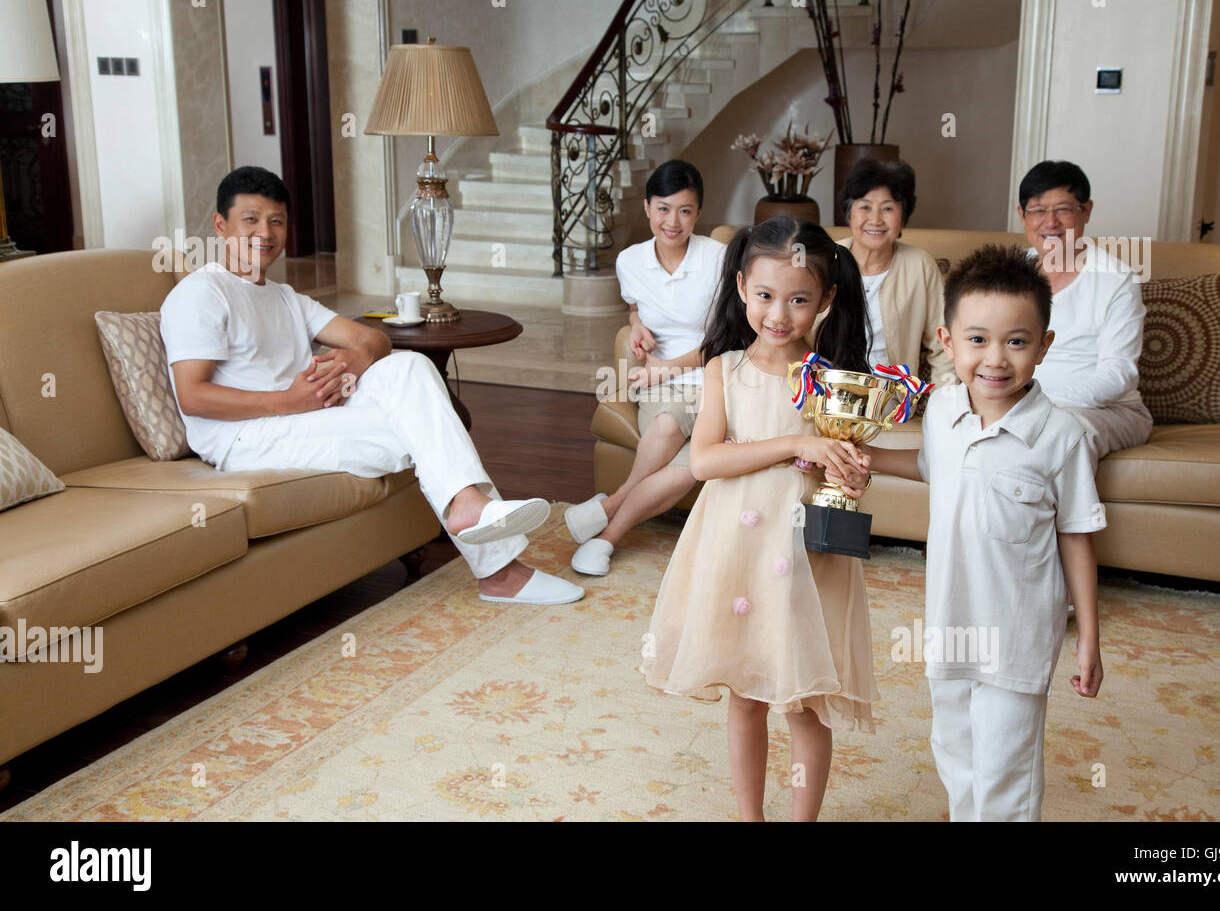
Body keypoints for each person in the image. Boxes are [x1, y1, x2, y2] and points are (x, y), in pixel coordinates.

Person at [159, 166, 583, 606]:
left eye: (276, 220)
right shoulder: (202, 293)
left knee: (411, 366)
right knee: (416, 426)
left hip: (307, 415)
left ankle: (468, 508)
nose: (265, 232)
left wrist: (355, 357)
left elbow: (373, 337)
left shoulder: (284, 296)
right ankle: (496, 566)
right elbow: (193, 395)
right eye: (250, 219)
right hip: (244, 436)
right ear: (220, 225)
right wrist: (288, 400)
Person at [639, 217, 880, 822]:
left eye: (799, 299)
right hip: (738, 550)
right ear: (743, 287)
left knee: (802, 705)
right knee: (745, 693)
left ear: (826, 299)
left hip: (805, 556)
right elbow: (705, 459)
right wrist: (795, 445)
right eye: (766, 295)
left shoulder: (831, 381)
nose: (779, 313)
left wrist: (846, 467)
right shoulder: (725, 369)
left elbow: (841, 466)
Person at [863, 244, 1105, 821]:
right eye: (977, 339)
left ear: (1044, 346)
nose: (996, 359)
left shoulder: (1062, 437)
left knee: (1006, 772)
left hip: (1017, 637)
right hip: (949, 625)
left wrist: (1089, 636)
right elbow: (928, 468)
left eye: (1016, 341)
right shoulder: (943, 409)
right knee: (954, 753)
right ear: (946, 341)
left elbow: (1076, 536)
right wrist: (863, 456)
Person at [566, 160, 726, 577]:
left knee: (694, 465)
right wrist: (637, 328)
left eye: (685, 210)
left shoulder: (719, 259)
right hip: (659, 383)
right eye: (663, 208)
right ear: (647, 207)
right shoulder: (630, 261)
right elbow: (636, 307)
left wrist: (667, 369)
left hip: (716, 378)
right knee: (668, 427)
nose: (673, 221)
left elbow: (730, 341)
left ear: (699, 213)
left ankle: (609, 522)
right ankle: (608, 527)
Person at [1017, 159, 1152, 464]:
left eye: (1063, 209)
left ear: (1086, 211)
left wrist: (1033, 405)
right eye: (1038, 210)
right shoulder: (1009, 274)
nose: (1050, 222)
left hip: (1107, 411)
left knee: (1058, 433)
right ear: (1022, 216)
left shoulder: (1116, 280)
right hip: (1016, 405)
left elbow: (1119, 374)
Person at [834, 158, 954, 384]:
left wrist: (942, 408)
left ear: (904, 216)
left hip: (892, 406)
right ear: (849, 213)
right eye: (865, 207)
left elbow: (944, 347)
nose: (876, 219)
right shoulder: (826, 259)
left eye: (888, 208)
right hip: (826, 399)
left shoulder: (920, 266)